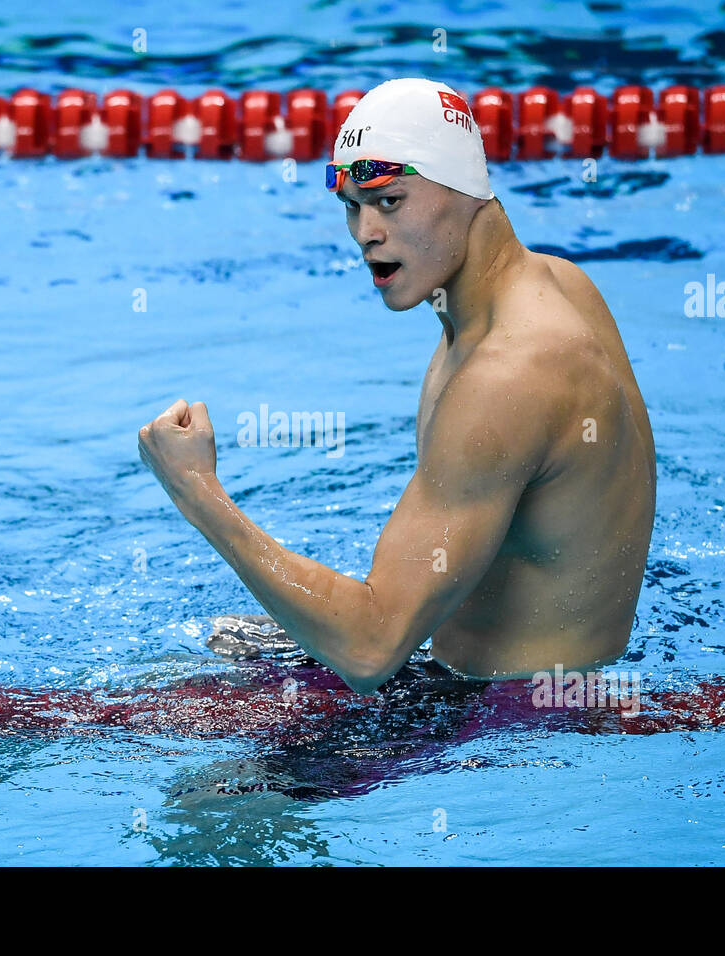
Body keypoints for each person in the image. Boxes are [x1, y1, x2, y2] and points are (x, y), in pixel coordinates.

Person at [138, 77, 656, 694]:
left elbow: (370, 650)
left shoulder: (510, 372)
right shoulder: (556, 284)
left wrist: (198, 491)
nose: (365, 232)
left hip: (503, 715)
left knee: (200, 786)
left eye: (389, 201)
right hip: (482, 678)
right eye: (352, 205)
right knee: (223, 642)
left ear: (465, 189)